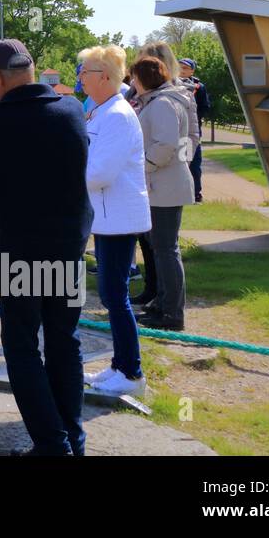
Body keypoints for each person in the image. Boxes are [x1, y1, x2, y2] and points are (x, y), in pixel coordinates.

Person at [0, 39, 91, 456]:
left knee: (21, 347)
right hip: (69, 244)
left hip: (23, 251)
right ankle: (73, 439)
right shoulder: (71, 110)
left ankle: (52, 446)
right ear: (33, 70)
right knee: (64, 341)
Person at [78, 45, 150, 396]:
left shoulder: (118, 115)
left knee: (115, 296)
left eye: (85, 71)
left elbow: (100, 172)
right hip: (107, 218)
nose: (79, 76)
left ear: (104, 76)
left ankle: (132, 374)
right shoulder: (102, 111)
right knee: (111, 295)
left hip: (118, 219)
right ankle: (119, 366)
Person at [130, 56, 193, 331]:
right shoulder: (164, 101)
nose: (131, 82)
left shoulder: (164, 104)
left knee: (166, 249)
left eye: (134, 77)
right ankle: (163, 302)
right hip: (162, 184)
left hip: (163, 185)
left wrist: (142, 166)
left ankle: (172, 314)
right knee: (161, 248)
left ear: (143, 78)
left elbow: (166, 144)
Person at [179, 58, 210, 202]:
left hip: (192, 132)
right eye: (180, 67)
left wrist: (194, 119)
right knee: (180, 161)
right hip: (178, 131)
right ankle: (180, 192)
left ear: (192, 70)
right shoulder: (172, 85)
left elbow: (205, 107)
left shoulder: (199, 87)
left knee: (194, 163)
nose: (182, 70)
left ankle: (196, 193)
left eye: (185, 68)